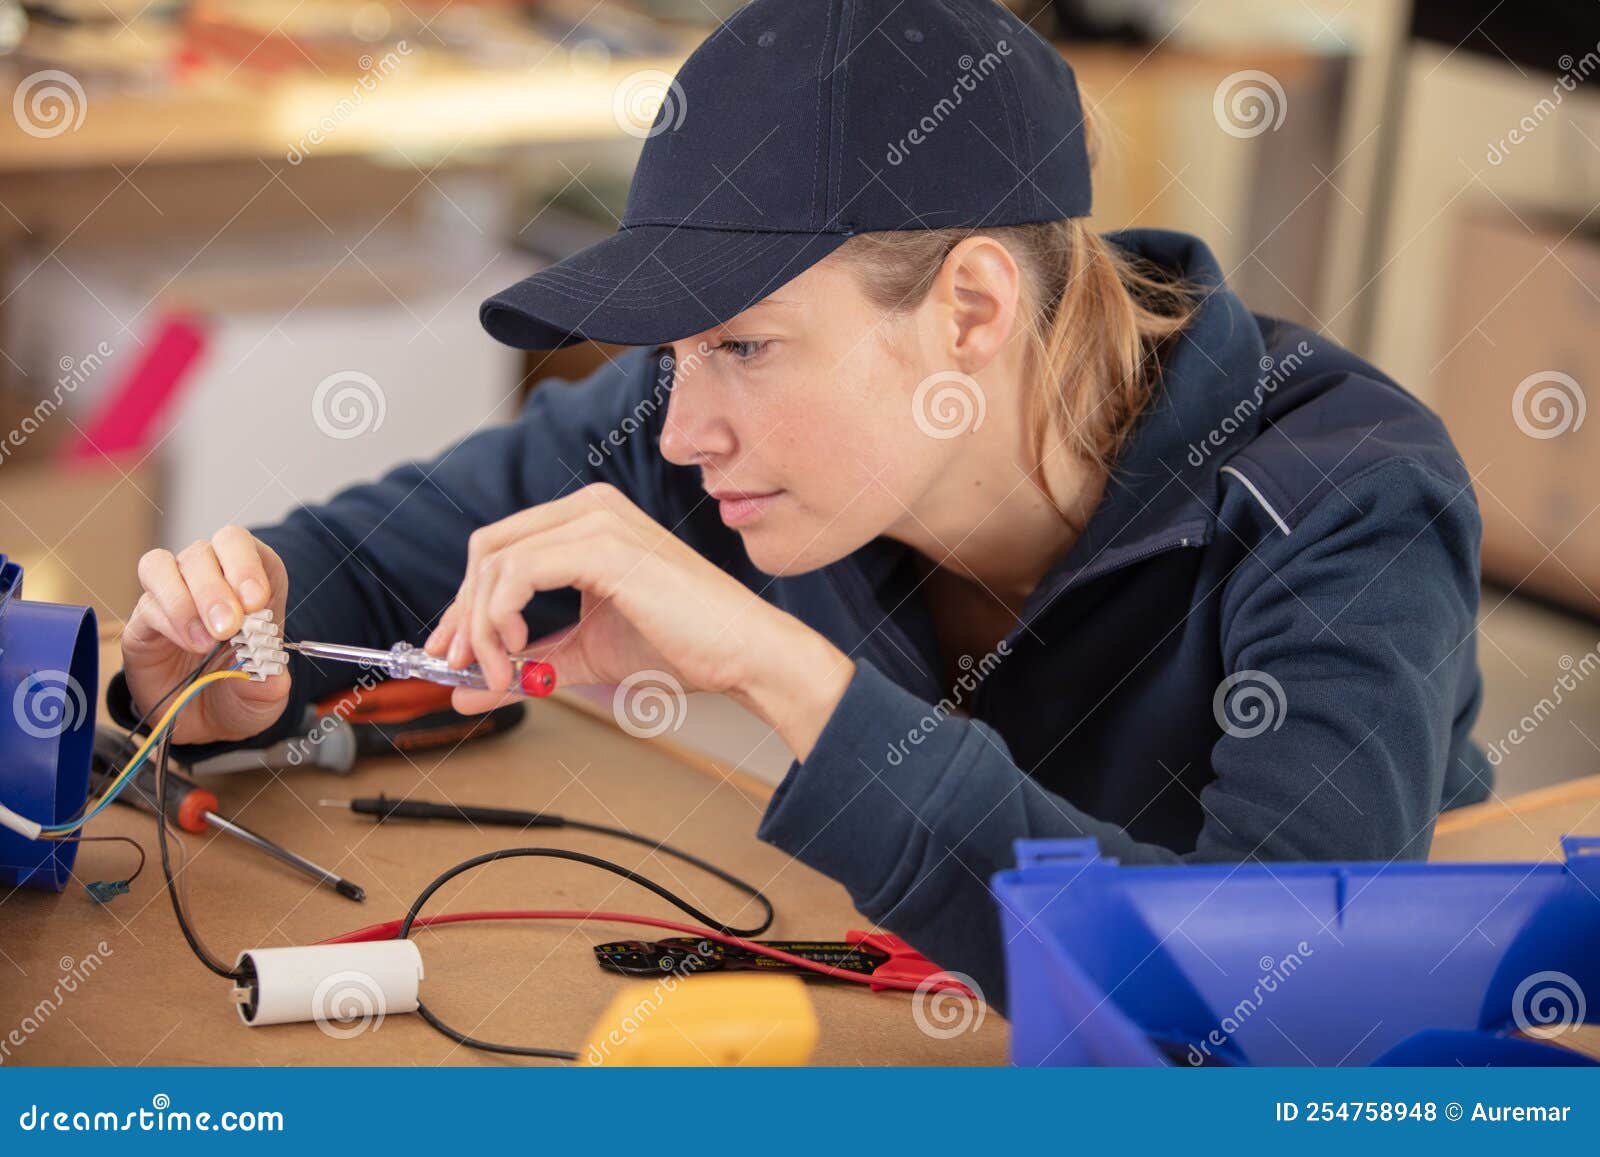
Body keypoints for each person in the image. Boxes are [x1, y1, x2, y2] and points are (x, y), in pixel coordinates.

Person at [109, 0, 1492, 1008]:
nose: (684, 419)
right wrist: (239, 655)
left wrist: (788, 677)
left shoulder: (1346, 497)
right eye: (673, 350)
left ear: (970, 309)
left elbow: (1277, 1006)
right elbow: (383, 557)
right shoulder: (712, 425)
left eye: (744, 346)